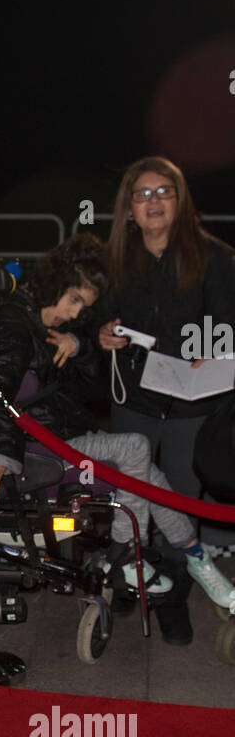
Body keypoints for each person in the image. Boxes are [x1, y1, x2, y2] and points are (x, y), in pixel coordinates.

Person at [0, 236, 235, 625]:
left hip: (61, 434)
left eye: (85, 305)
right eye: (74, 299)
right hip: (40, 444)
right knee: (135, 447)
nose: (75, 311)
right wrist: (0, 454)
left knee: (150, 478)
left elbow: (89, 387)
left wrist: (79, 345)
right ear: (57, 282)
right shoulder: (15, 320)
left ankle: (196, 556)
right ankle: (125, 554)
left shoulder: (60, 325)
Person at [98, 157, 235, 573]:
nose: (152, 201)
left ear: (180, 201)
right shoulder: (114, 259)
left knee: (178, 503)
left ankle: (175, 595)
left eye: (163, 192)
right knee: (128, 498)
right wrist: (100, 335)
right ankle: (125, 581)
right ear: (129, 207)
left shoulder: (216, 257)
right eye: (142, 194)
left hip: (190, 407)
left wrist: (212, 347)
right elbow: (97, 318)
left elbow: (228, 325)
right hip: (133, 401)